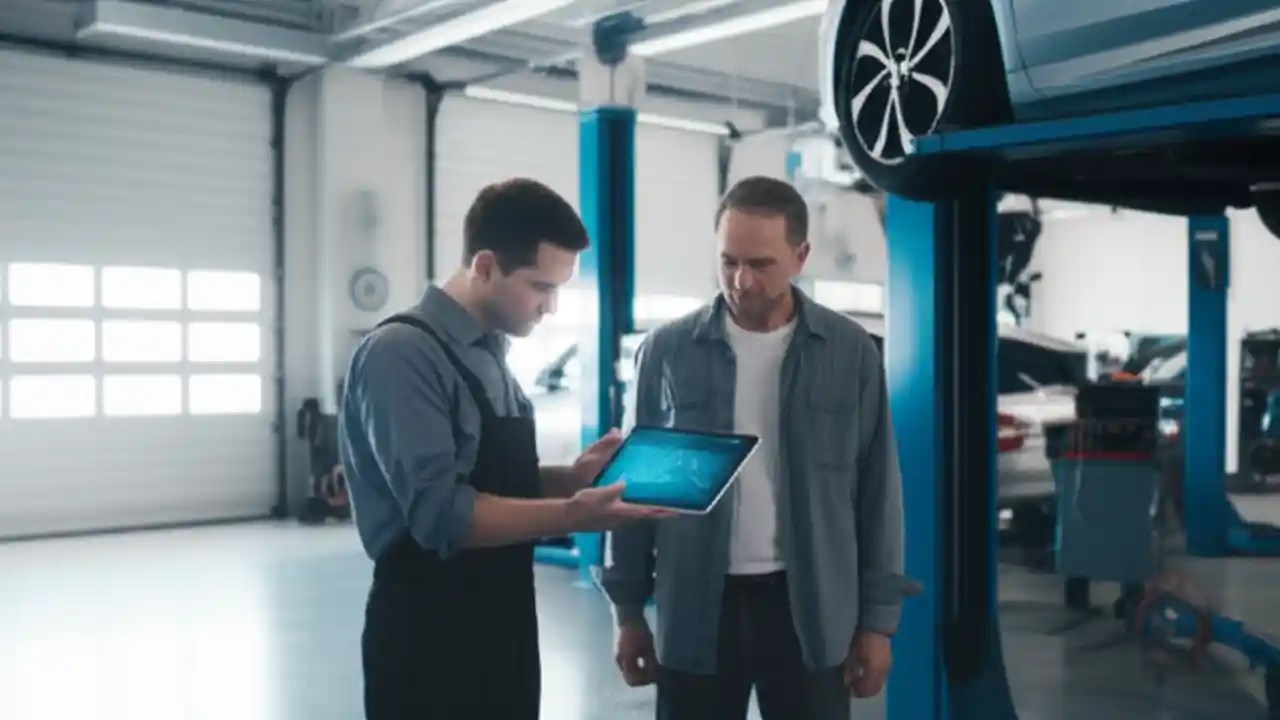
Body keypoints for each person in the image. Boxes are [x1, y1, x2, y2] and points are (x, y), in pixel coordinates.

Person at [339, 177, 668, 720]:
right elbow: (441, 514)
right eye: (540, 287)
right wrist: (569, 515)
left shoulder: (490, 353)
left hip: (504, 620)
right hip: (428, 635)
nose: (551, 307)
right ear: (485, 266)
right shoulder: (402, 355)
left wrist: (573, 478)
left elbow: (491, 482)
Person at [601, 176, 917, 720]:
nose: (740, 281)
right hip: (697, 607)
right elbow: (632, 490)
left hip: (809, 608)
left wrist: (877, 623)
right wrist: (627, 612)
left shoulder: (850, 353)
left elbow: (876, 493)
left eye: (761, 264)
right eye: (728, 261)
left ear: (800, 256)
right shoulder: (667, 352)